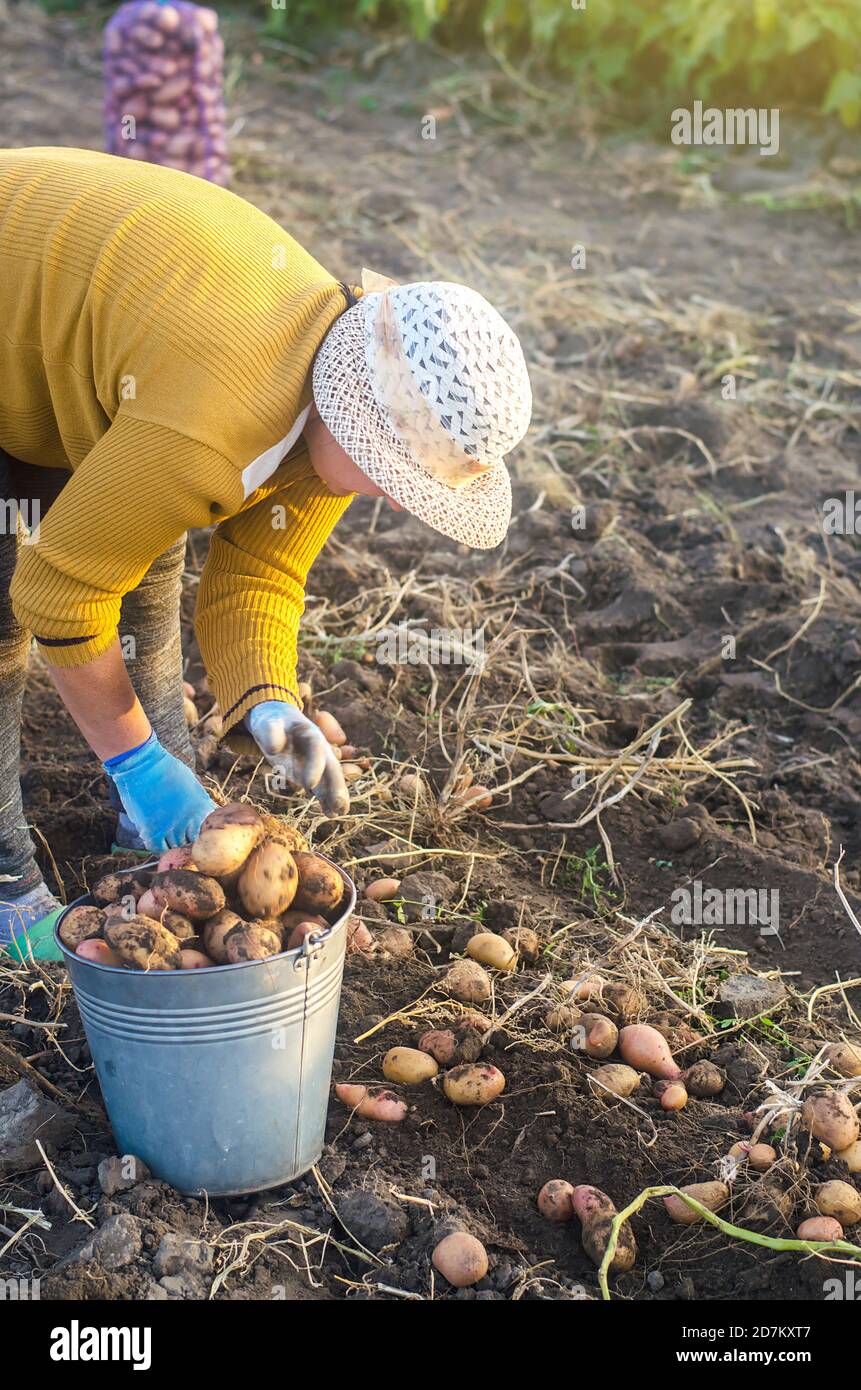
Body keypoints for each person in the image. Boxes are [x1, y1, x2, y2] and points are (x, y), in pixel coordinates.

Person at [0, 146, 532, 960]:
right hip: (16, 302)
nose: (392, 497)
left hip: (74, 336)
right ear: (356, 416)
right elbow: (61, 593)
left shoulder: (333, 393)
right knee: (8, 604)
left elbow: (261, 573)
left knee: (142, 555)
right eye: (397, 476)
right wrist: (135, 762)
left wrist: (267, 703)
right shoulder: (213, 423)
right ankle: (8, 879)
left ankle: (150, 813)